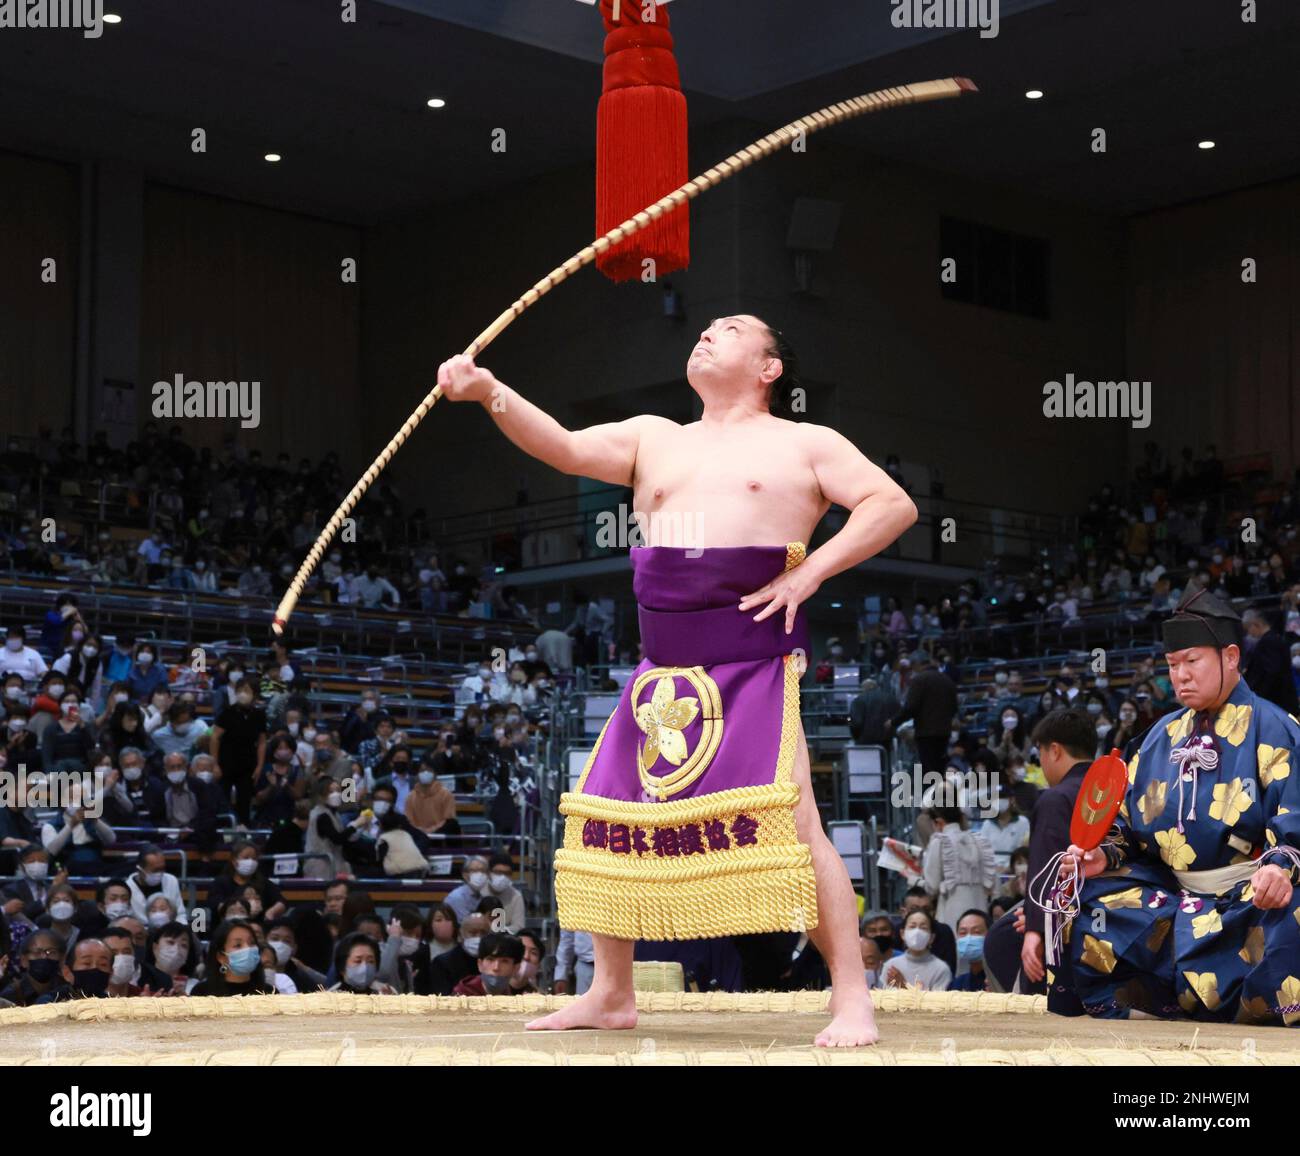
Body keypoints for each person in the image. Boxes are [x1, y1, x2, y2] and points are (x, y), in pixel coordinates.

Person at [438, 314, 918, 1046]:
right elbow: (565, 449)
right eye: (705, 327)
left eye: (730, 330)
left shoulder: (804, 442)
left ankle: (852, 995)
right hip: (662, 667)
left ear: (768, 369)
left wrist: (814, 570)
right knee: (606, 814)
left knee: (796, 824)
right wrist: (490, 391)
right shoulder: (651, 436)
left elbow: (892, 504)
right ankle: (610, 990)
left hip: (753, 657)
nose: (707, 332)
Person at [1063, 584, 1300, 1024]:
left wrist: (1281, 867)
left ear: (1231, 657)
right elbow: (1129, 827)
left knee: (1294, 914)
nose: (1180, 676)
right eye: (1173, 664)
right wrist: (1103, 854)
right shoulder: (1159, 735)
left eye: (1192, 661)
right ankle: (1154, 998)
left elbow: (1295, 818)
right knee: (1091, 895)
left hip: (1248, 905)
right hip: (1174, 899)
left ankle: (1255, 1004)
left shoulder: (1276, 727)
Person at [921, 806, 996, 933]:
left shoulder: (939, 841)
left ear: (938, 822)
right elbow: (993, 883)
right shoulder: (980, 840)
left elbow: (931, 886)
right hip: (980, 907)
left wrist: (914, 880)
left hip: (951, 910)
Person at [885, 652, 958, 780]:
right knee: (940, 769)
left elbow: (911, 707)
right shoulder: (947, 680)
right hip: (944, 732)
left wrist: (893, 721)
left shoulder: (919, 680)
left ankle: (932, 798)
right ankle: (942, 796)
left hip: (926, 733)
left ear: (916, 664)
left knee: (929, 772)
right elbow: (954, 708)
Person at [211, 677, 268, 823]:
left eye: (246, 691)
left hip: (248, 764)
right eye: (240, 690)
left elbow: (262, 742)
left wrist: (260, 766)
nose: (242, 694)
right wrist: (215, 764)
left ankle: (244, 831)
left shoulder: (259, 715)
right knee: (222, 800)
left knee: (244, 801)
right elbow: (215, 738)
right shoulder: (227, 713)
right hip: (226, 763)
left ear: (255, 694)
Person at [189, 919, 275, 996]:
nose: (248, 949)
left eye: (252, 943)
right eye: (238, 945)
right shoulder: (202, 993)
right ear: (221, 957)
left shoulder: (269, 993)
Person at [1241, 608, 1298, 714]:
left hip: (1276, 702)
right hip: (1282, 699)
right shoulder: (1276, 638)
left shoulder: (1267, 642)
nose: (1249, 634)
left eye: (1248, 629)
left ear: (1256, 624)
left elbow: (1271, 673)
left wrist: (1259, 698)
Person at [880, 908, 951, 991]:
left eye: (923, 928)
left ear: (931, 937)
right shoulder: (891, 966)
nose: (917, 932)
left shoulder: (941, 969)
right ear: (902, 934)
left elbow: (935, 1003)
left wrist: (904, 986)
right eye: (912, 927)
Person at [0, 929, 74, 1006]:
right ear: (24, 960)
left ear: (62, 959)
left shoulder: (68, 990)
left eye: (51, 952)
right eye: (37, 952)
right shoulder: (11, 994)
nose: (44, 957)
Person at [427, 911, 492, 995]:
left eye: (483, 933)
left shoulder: (495, 962)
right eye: (473, 933)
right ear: (461, 935)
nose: (479, 937)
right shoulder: (442, 963)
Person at [125, 845, 189, 925]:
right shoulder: (127, 889)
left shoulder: (171, 880)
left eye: (162, 868)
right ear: (140, 869)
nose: (160, 873)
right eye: (155, 870)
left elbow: (180, 914)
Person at [452, 931, 524, 995]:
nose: (496, 968)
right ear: (480, 965)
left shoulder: (517, 998)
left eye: (504, 961)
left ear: (516, 968)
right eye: (490, 960)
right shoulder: (460, 996)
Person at [328, 931, 397, 995]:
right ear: (342, 967)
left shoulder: (387, 992)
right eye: (358, 961)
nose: (365, 967)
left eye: (370, 961)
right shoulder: (331, 996)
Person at [848, 676, 899, 747]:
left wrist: (856, 737)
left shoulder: (858, 701)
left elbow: (856, 723)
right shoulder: (891, 698)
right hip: (888, 740)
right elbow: (898, 717)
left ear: (863, 688)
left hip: (866, 741)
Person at [948, 909, 991, 991]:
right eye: (963, 933)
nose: (968, 939)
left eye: (976, 932)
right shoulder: (957, 984)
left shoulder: (997, 980)